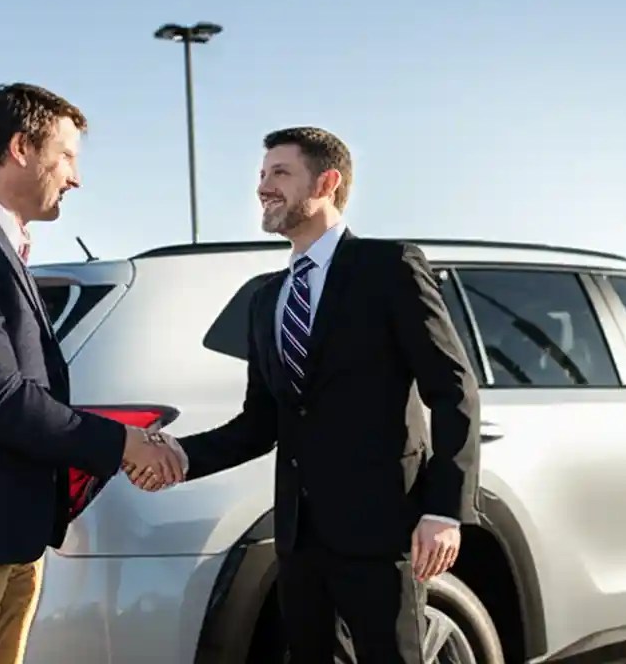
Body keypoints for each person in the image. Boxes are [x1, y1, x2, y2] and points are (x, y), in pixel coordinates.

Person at [131, 127, 481, 663]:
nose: (262, 187)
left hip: (382, 528)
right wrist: (180, 454)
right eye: (262, 174)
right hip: (298, 539)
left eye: (280, 172)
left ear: (326, 182)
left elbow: (453, 390)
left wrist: (444, 511)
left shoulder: (388, 268)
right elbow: (259, 423)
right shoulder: (265, 299)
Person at [0, 82, 183, 664]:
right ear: (21, 148)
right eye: (66, 156)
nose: (75, 177)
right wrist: (125, 442)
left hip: (4, 541)